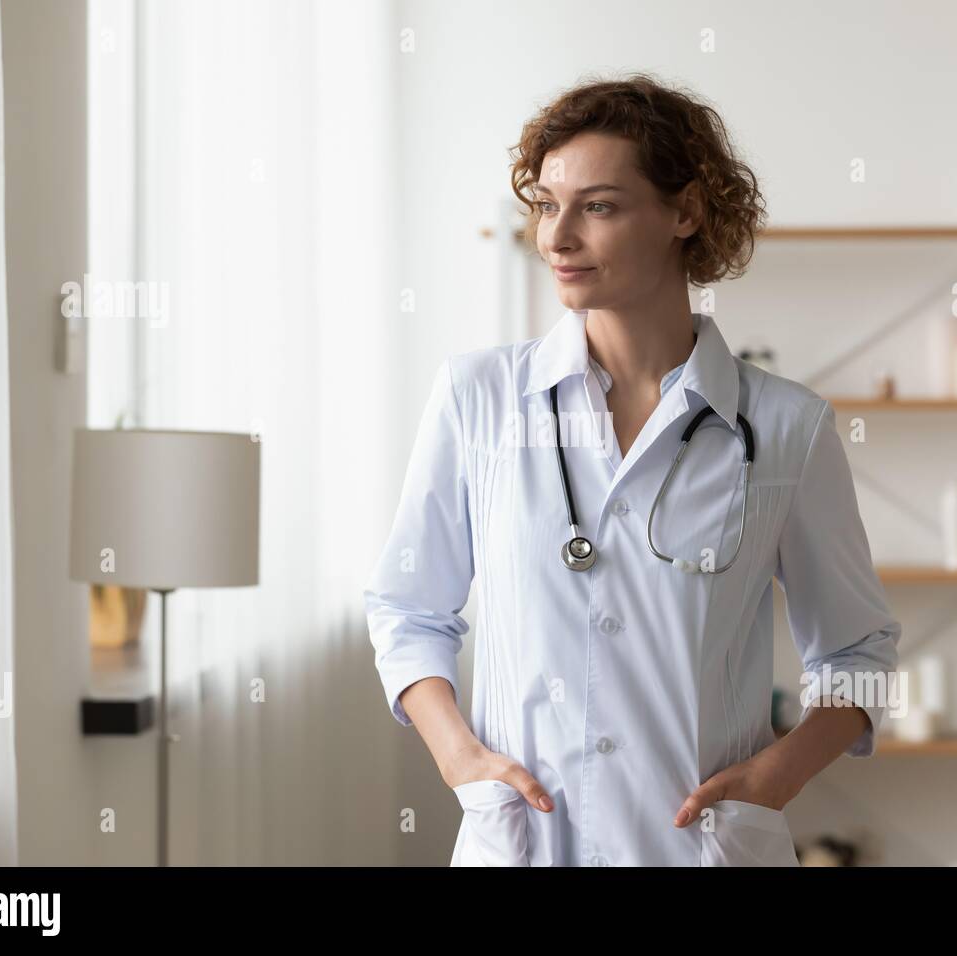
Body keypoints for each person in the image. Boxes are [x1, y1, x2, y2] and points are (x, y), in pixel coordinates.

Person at [364, 72, 901, 866]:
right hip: (524, 841)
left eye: (599, 206)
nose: (557, 237)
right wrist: (460, 761)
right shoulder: (477, 398)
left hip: (701, 847)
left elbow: (858, 654)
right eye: (547, 205)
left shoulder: (786, 427)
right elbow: (408, 612)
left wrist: (777, 776)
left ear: (685, 212)